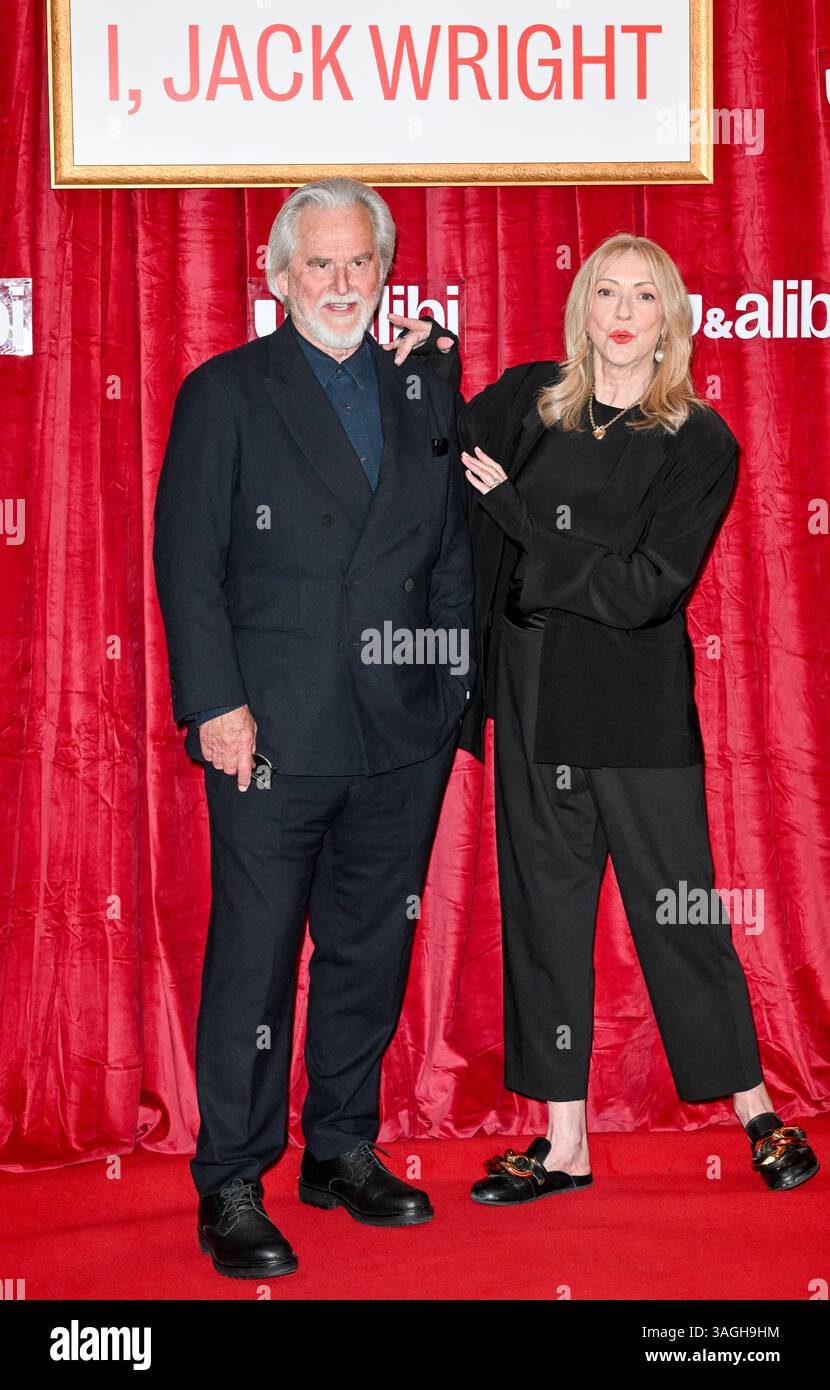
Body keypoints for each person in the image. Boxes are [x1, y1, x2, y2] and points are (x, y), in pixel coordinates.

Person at [392, 231, 819, 1203]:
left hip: (629, 701)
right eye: (604, 293)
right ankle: (563, 1145)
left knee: (678, 907)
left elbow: (643, 587)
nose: (621, 313)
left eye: (642, 296)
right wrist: (435, 363)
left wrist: (522, 519)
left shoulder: (697, 438)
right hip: (533, 694)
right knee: (544, 917)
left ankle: (753, 1107)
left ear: (669, 319)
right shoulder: (534, 404)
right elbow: (444, 456)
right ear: (581, 306)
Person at [153, 177, 474, 1278]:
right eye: (319, 265)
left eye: (359, 265)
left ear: (383, 275)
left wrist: (441, 700)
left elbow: (447, 565)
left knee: (366, 953)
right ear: (278, 277)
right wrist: (214, 706)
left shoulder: (424, 396)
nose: (341, 284)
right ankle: (232, 1180)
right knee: (250, 962)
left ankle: (339, 1147)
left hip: (398, 737)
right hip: (269, 736)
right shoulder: (224, 392)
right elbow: (188, 567)